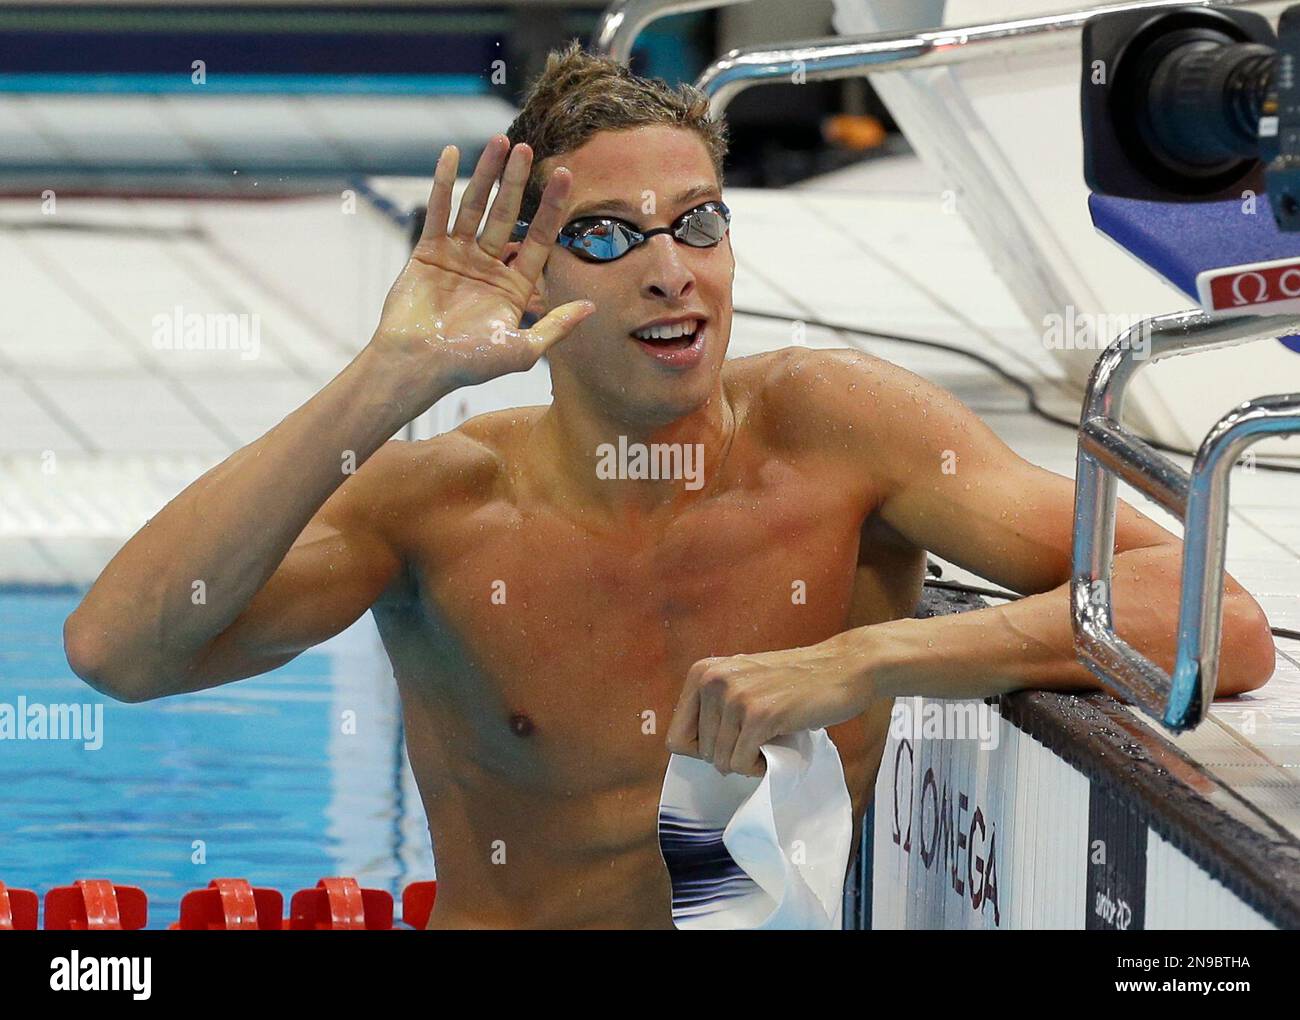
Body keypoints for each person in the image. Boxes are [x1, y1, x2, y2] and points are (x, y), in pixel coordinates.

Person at [63, 42, 1277, 929]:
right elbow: (120, 652)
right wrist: (384, 381)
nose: (668, 273)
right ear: (526, 276)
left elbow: (1213, 621)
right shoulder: (439, 507)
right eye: (606, 237)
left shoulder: (840, 430)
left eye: (697, 223)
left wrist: (873, 660)